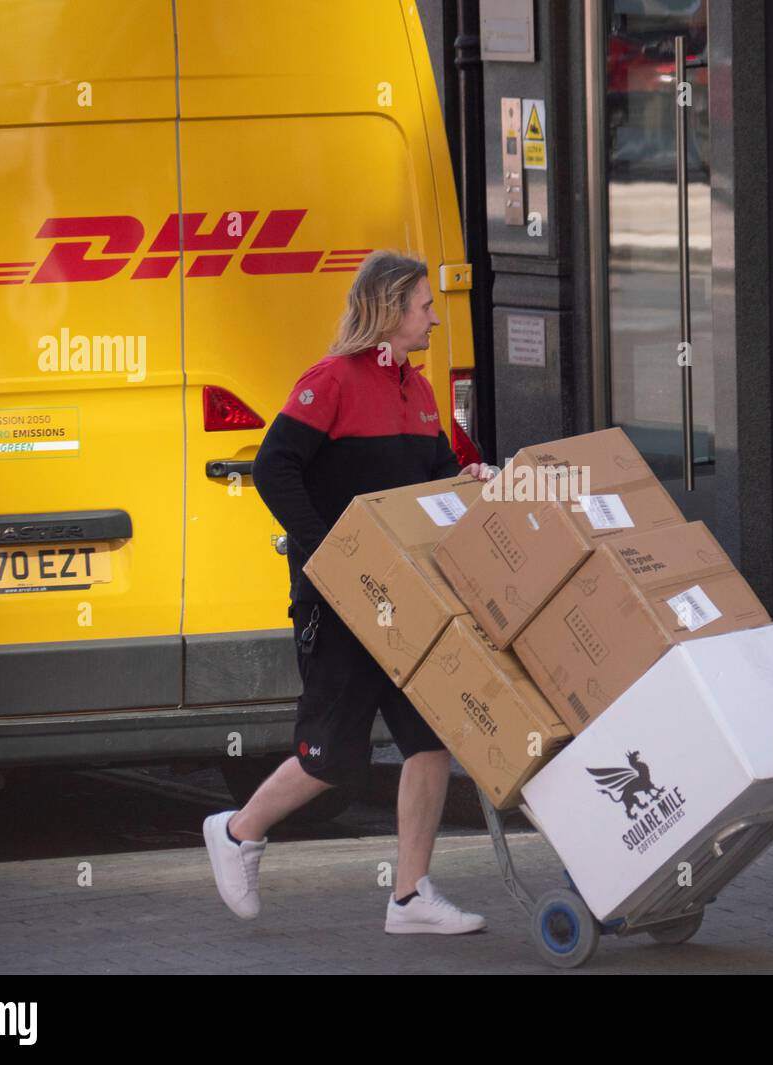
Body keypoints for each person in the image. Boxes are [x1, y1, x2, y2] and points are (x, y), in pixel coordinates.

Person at [203, 251, 495, 934]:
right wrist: (329, 549)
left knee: (429, 742)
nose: (432, 315)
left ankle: (410, 895)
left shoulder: (417, 390)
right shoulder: (330, 380)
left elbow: (441, 479)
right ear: (391, 309)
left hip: (404, 597)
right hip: (337, 600)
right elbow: (274, 467)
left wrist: (476, 486)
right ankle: (240, 831)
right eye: (423, 304)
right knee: (333, 756)